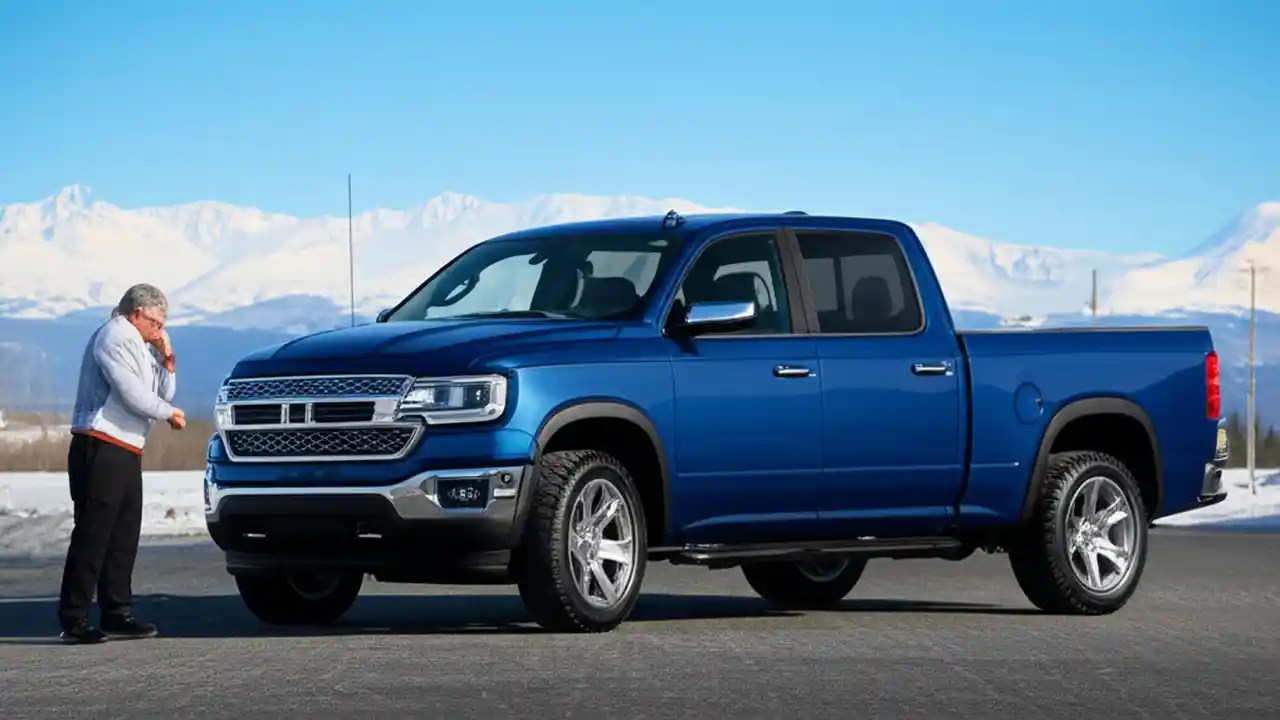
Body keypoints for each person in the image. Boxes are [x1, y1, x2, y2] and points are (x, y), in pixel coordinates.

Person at [56, 284, 186, 643]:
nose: (160, 331)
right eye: (157, 324)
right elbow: (132, 393)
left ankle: (117, 611)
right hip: (100, 443)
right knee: (93, 533)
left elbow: (162, 392)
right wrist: (168, 414)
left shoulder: (142, 347)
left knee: (123, 535)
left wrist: (166, 358)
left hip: (128, 447)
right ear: (137, 313)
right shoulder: (114, 336)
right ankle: (74, 616)